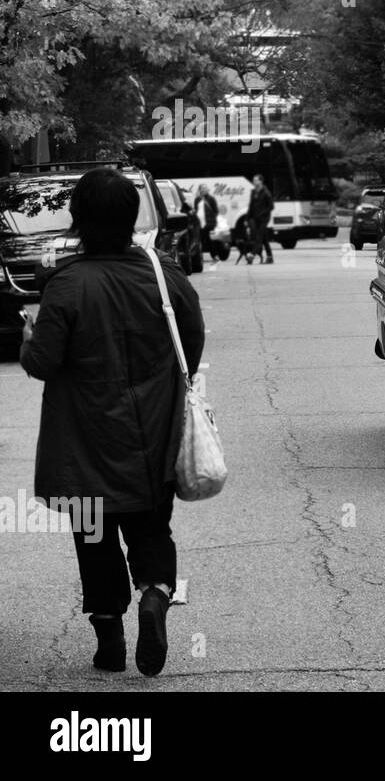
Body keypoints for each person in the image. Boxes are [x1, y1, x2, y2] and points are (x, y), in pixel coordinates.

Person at [19, 168, 205, 677]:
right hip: (154, 435)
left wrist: (30, 335)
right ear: (132, 218)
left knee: (93, 537)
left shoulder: (65, 284)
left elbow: (41, 363)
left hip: (81, 442)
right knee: (150, 529)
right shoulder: (165, 276)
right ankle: (154, 595)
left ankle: (109, 643)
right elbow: (192, 343)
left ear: (78, 219)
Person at [248, 174, 275, 264]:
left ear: (261, 181)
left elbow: (271, 206)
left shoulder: (266, 192)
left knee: (259, 237)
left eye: (256, 180)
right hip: (256, 218)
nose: (254, 182)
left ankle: (252, 254)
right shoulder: (253, 192)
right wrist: (247, 218)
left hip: (264, 218)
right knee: (263, 238)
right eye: (253, 180)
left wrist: (262, 213)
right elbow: (251, 206)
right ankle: (270, 257)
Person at [196, 184, 219, 259]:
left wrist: (212, 220)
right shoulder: (197, 199)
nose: (204, 190)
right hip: (200, 223)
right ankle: (201, 256)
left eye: (205, 188)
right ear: (200, 190)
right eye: (202, 188)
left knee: (210, 239)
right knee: (202, 239)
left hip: (209, 223)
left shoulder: (211, 199)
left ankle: (214, 255)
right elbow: (196, 211)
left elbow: (215, 210)